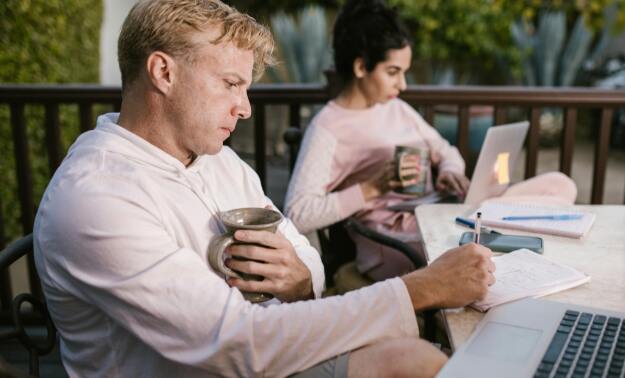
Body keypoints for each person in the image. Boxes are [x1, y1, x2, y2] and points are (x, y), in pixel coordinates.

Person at [32, 1, 496, 377]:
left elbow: (305, 257)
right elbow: (237, 341)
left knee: (410, 351)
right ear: (163, 73)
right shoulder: (95, 199)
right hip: (234, 357)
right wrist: (419, 289)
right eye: (231, 84)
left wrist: (298, 279)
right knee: (413, 363)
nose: (246, 109)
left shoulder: (220, 162)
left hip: (263, 345)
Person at [285, 0, 577, 281]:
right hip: (396, 239)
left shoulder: (395, 107)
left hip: (442, 211)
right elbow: (297, 213)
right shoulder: (328, 128)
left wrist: (451, 171)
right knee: (478, 246)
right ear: (361, 67)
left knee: (560, 186)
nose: (403, 85)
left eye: (404, 73)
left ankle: (499, 233)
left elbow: (444, 150)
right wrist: (372, 187)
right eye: (393, 73)